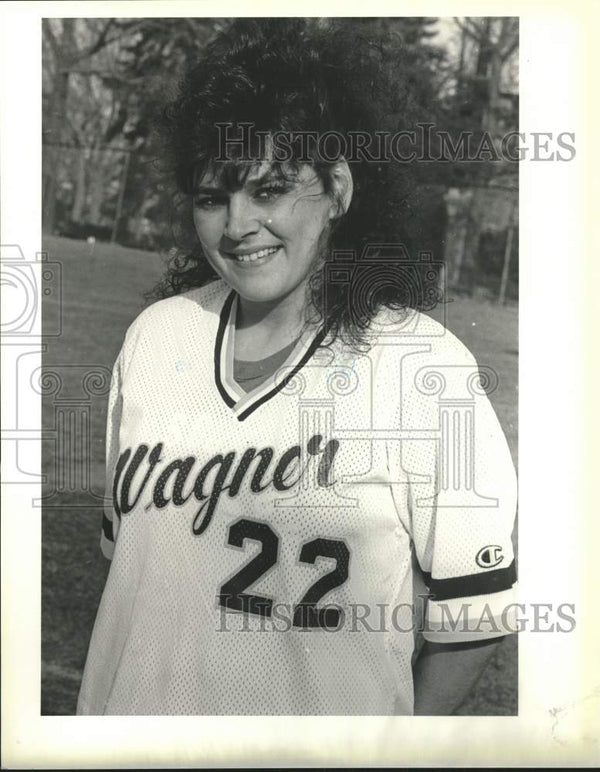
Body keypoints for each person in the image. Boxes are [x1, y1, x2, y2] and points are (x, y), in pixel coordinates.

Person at [77, 18, 517, 716]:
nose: (238, 224)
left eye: (270, 189)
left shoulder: (421, 370)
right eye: (212, 197)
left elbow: (474, 616)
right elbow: (133, 572)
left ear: (337, 189)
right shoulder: (155, 340)